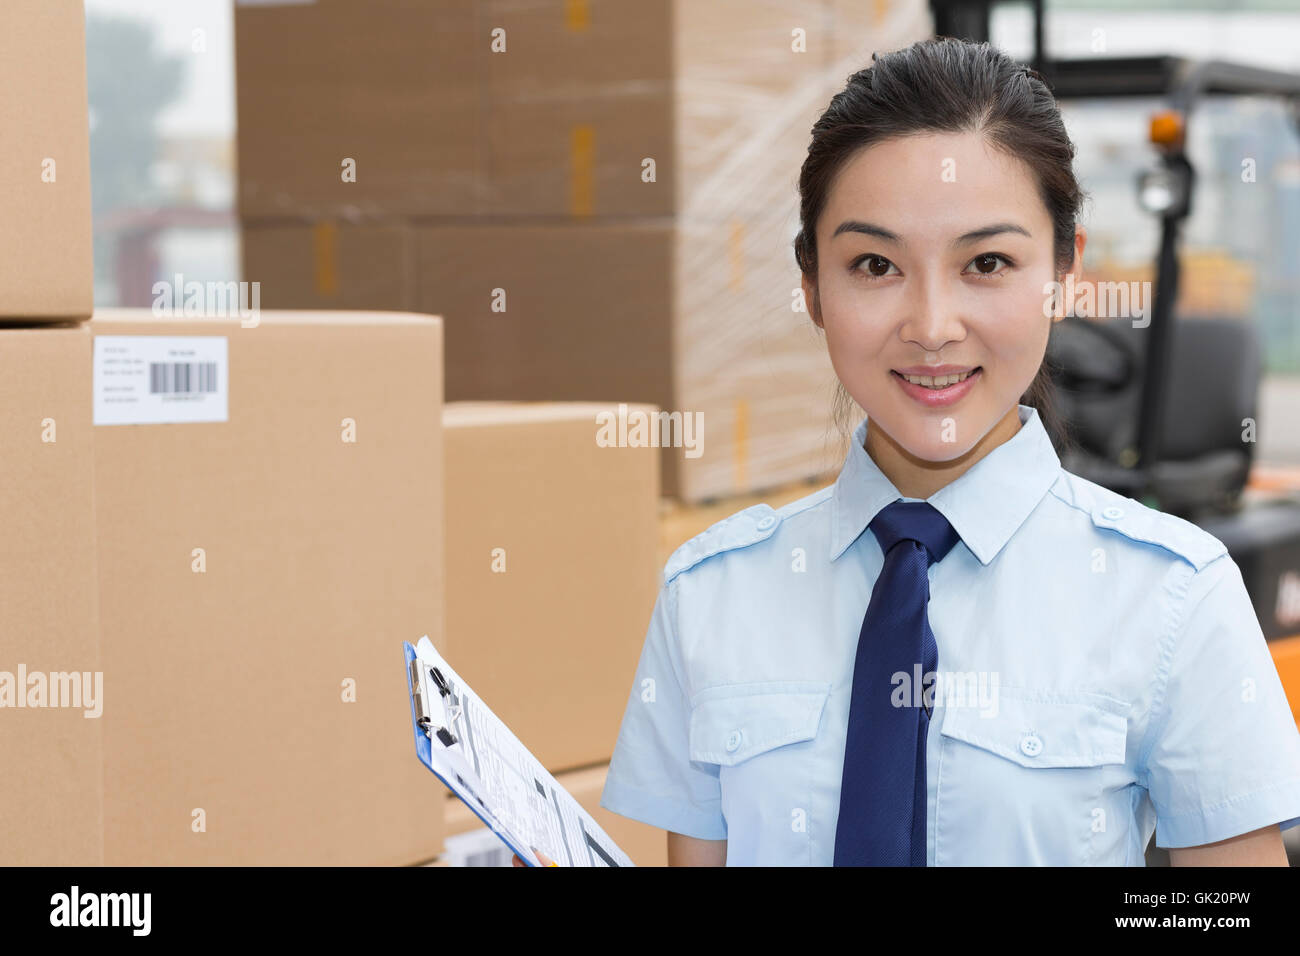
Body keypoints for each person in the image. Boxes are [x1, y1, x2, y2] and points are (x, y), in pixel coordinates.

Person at [588, 36, 1300, 866]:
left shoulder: (1174, 596)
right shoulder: (710, 597)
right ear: (813, 286)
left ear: (1065, 272)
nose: (930, 326)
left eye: (987, 262)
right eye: (875, 264)